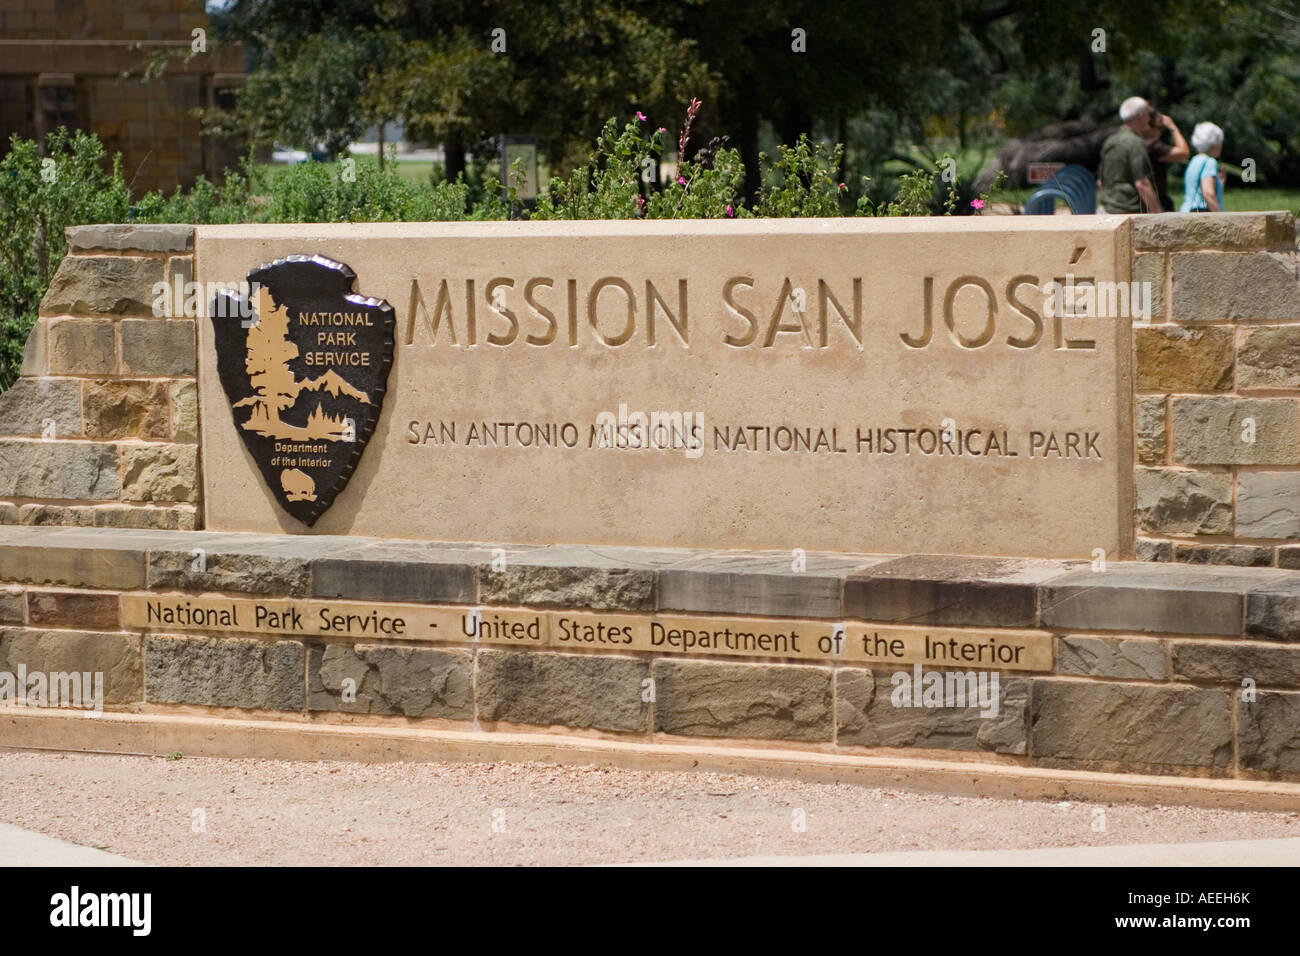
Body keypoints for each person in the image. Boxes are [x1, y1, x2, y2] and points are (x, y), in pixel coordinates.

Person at [1097, 96, 1162, 214]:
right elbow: (1142, 184)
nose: (1149, 119)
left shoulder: (1110, 141)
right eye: (1148, 115)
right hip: (1127, 211)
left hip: (1105, 210)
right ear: (1140, 115)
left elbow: (1101, 182)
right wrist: (1158, 214)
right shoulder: (1135, 143)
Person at [1144, 106, 1191, 212]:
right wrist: (1172, 127)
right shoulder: (1152, 146)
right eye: (1160, 128)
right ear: (1149, 127)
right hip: (1155, 200)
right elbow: (1184, 152)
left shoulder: (1137, 143)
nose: (1160, 132)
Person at [1179, 122, 1226, 212]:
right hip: (1200, 213)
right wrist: (1222, 220)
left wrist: (1218, 182)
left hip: (1186, 212)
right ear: (1215, 142)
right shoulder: (1210, 162)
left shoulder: (1194, 161)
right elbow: (1208, 193)